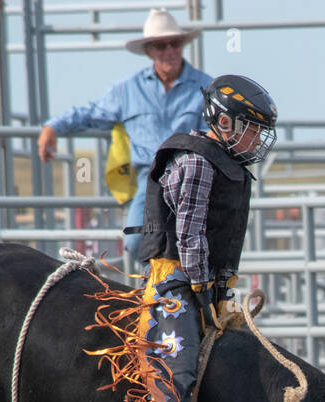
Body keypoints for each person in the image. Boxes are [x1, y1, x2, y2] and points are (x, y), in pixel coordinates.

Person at [126, 74, 277, 402]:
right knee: (177, 366)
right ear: (224, 123)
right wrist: (207, 295)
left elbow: (222, 243)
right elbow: (190, 236)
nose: (257, 138)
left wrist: (220, 294)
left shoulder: (225, 165)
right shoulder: (194, 162)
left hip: (205, 286)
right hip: (174, 283)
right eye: (251, 127)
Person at [36, 9, 211, 261]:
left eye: (175, 43)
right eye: (161, 45)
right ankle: (160, 290)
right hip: (151, 178)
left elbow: (219, 131)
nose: (169, 50)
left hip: (193, 177)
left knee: (196, 240)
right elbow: (91, 112)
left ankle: (181, 290)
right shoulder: (129, 90)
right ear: (149, 51)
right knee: (136, 241)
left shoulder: (205, 86)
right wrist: (53, 127)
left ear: (182, 45)